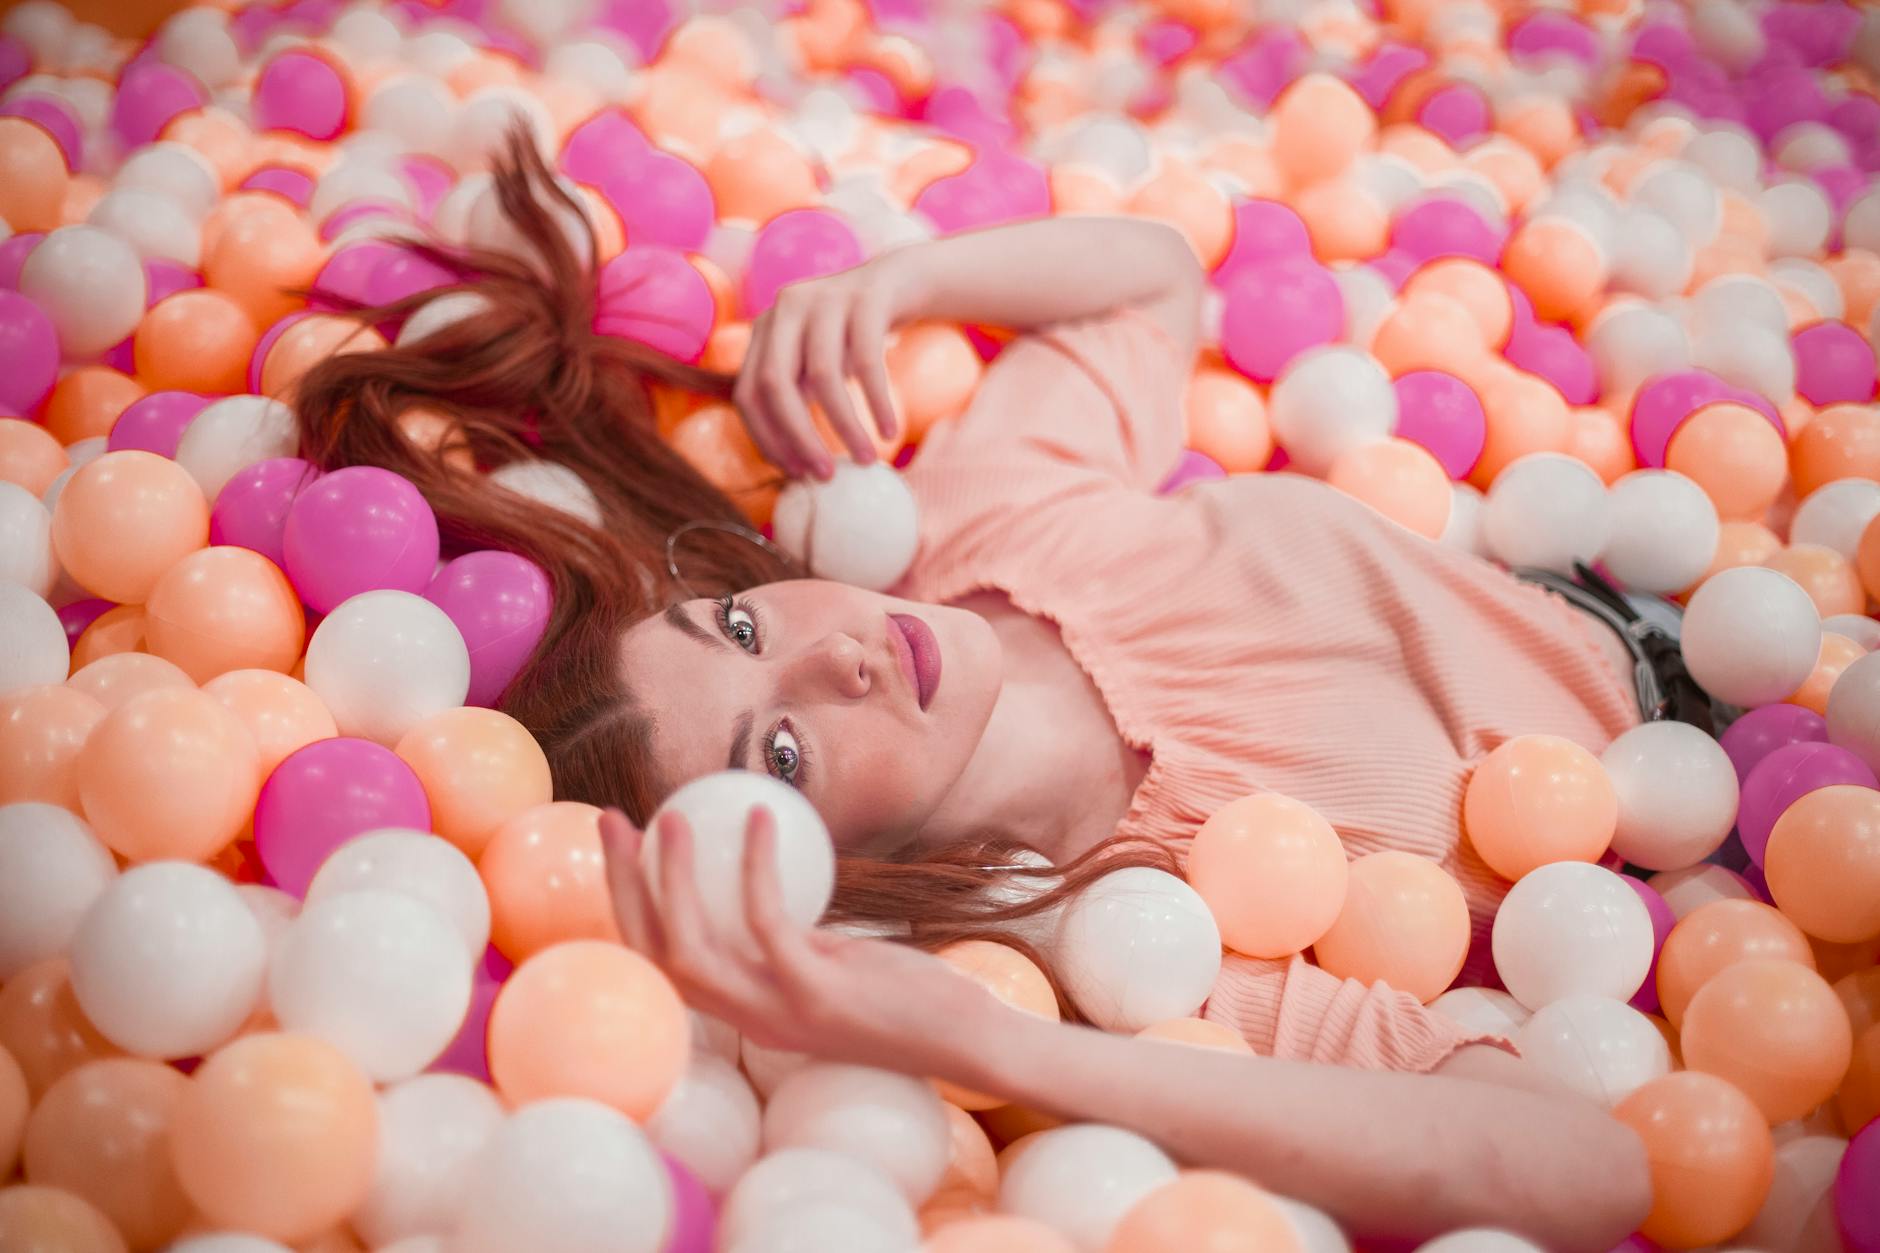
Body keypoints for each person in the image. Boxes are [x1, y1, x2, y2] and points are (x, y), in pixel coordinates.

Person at [297, 134, 1655, 1250]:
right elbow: (1592, 1171)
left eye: (739, 620)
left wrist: (902, 282)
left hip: (1594, 552)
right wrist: (996, 1046)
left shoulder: (973, 526)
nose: (842, 655)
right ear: (835, 879)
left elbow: (1151, 277)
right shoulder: (1154, 939)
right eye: (782, 754)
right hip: (1698, 754)